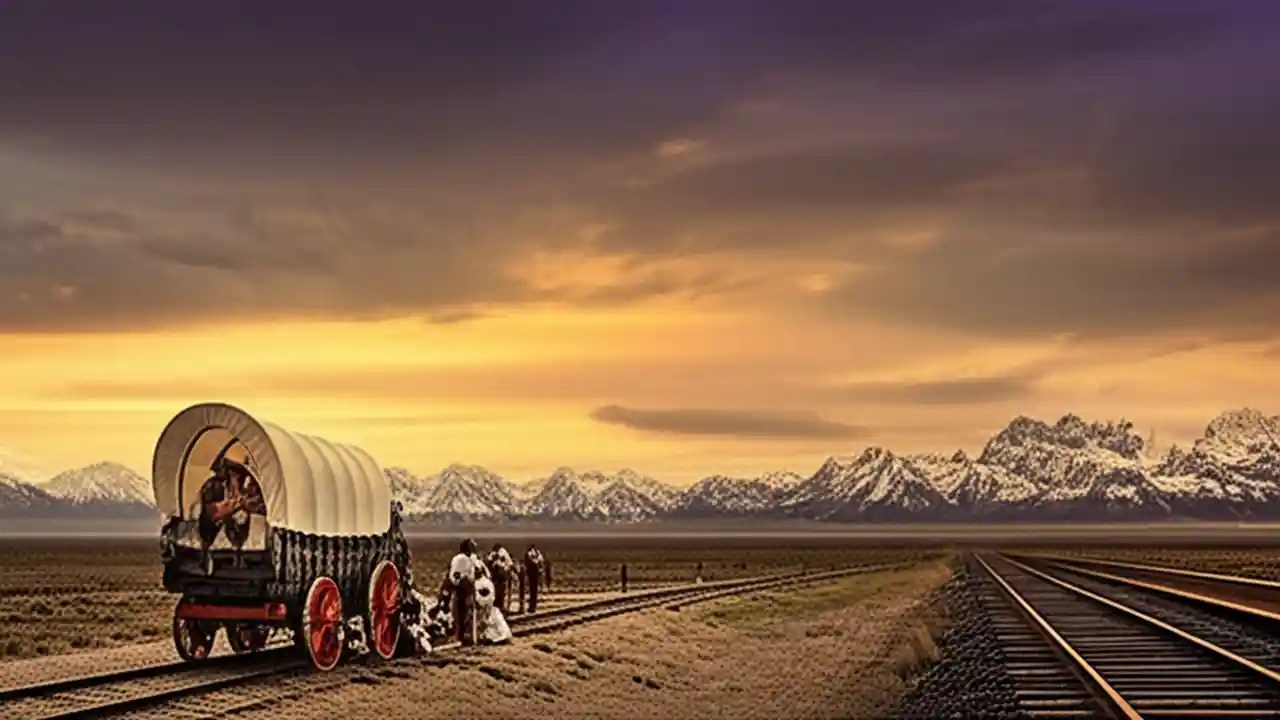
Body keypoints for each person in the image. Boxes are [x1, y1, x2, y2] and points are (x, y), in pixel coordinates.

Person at [198, 458, 265, 575]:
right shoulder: (213, 486)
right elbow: (212, 510)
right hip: (218, 521)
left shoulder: (244, 488)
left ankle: (236, 555)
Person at [445, 538, 484, 646]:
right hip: (465, 590)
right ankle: (467, 638)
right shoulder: (464, 559)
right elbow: (457, 576)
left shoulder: (462, 559)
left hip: (462, 590)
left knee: (461, 615)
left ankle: (462, 637)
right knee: (466, 615)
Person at [486, 543, 515, 613]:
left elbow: (509, 565)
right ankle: (498, 610)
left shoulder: (502, 553)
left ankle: (499, 610)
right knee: (497, 595)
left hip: (500, 578)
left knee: (500, 595)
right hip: (497, 578)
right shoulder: (496, 554)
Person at [522, 544, 546, 613]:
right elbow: (540, 561)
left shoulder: (531, 553)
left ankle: (532, 607)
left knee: (533, 591)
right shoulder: (537, 553)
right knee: (534, 591)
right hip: (534, 574)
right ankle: (533, 607)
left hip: (533, 574)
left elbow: (530, 562)